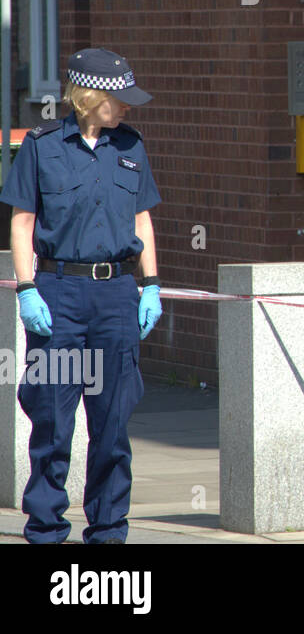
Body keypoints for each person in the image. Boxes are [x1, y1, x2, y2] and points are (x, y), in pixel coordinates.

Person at [1, 48, 162, 544]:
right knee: (52, 420)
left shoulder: (131, 145)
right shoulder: (43, 145)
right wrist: (27, 289)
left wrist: (151, 285)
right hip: (58, 294)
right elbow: (22, 222)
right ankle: (46, 530)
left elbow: (142, 219)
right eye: (120, 100)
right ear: (91, 97)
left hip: (115, 294)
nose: (128, 108)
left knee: (112, 424)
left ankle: (109, 532)